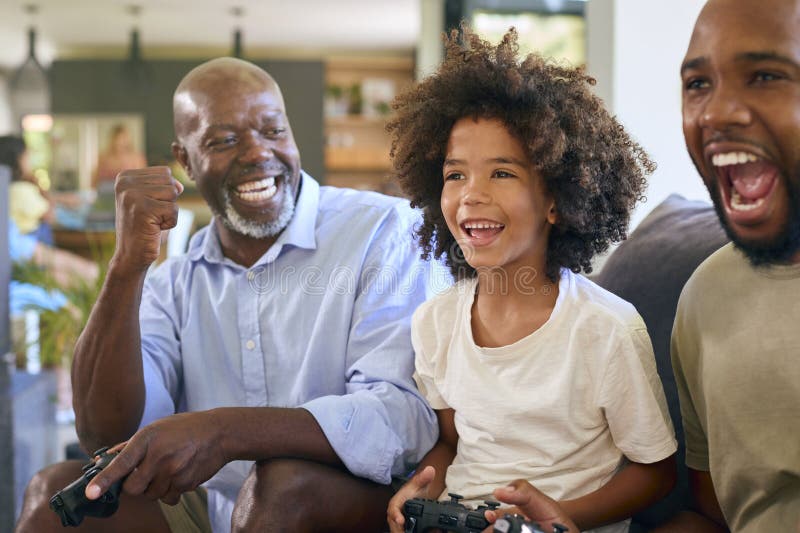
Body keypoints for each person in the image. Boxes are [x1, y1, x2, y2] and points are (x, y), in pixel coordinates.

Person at [16, 57, 440, 533]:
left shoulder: (383, 230)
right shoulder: (175, 283)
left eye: (273, 131)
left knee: (281, 489)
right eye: (224, 140)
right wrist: (126, 265)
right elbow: (104, 434)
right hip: (218, 510)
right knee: (51, 497)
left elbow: (400, 418)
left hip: (350, 505)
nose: (259, 153)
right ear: (185, 160)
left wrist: (226, 432)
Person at [385, 28, 677, 533]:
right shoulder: (434, 321)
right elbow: (453, 443)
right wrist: (420, 489)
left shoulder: (605, 328)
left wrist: (563, 516)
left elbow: (656, 472)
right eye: (455, 175)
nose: (471, 195)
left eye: (501, 173)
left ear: (556, 201)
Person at [666, 0, 800, 531]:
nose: (716, 114)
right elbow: (717, 513)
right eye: (698, 84)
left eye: (765, 76)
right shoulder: (705, 296)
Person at [1, 135, 54, 243]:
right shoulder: (22, 190)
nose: (30, 162)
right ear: (18, 160)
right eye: (27, 157)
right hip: (31, 242)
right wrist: (37, 184)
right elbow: (50, 216)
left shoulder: (8, 188)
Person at [91, 124, 147, 189]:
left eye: (123, 139)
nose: (119, 142)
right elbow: (94, 183)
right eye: (117, 139)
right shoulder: (103, 158)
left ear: (128, 140)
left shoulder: (137, 158)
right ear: (112, 139)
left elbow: (143, 182)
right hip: (105, 194)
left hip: (130, 194)